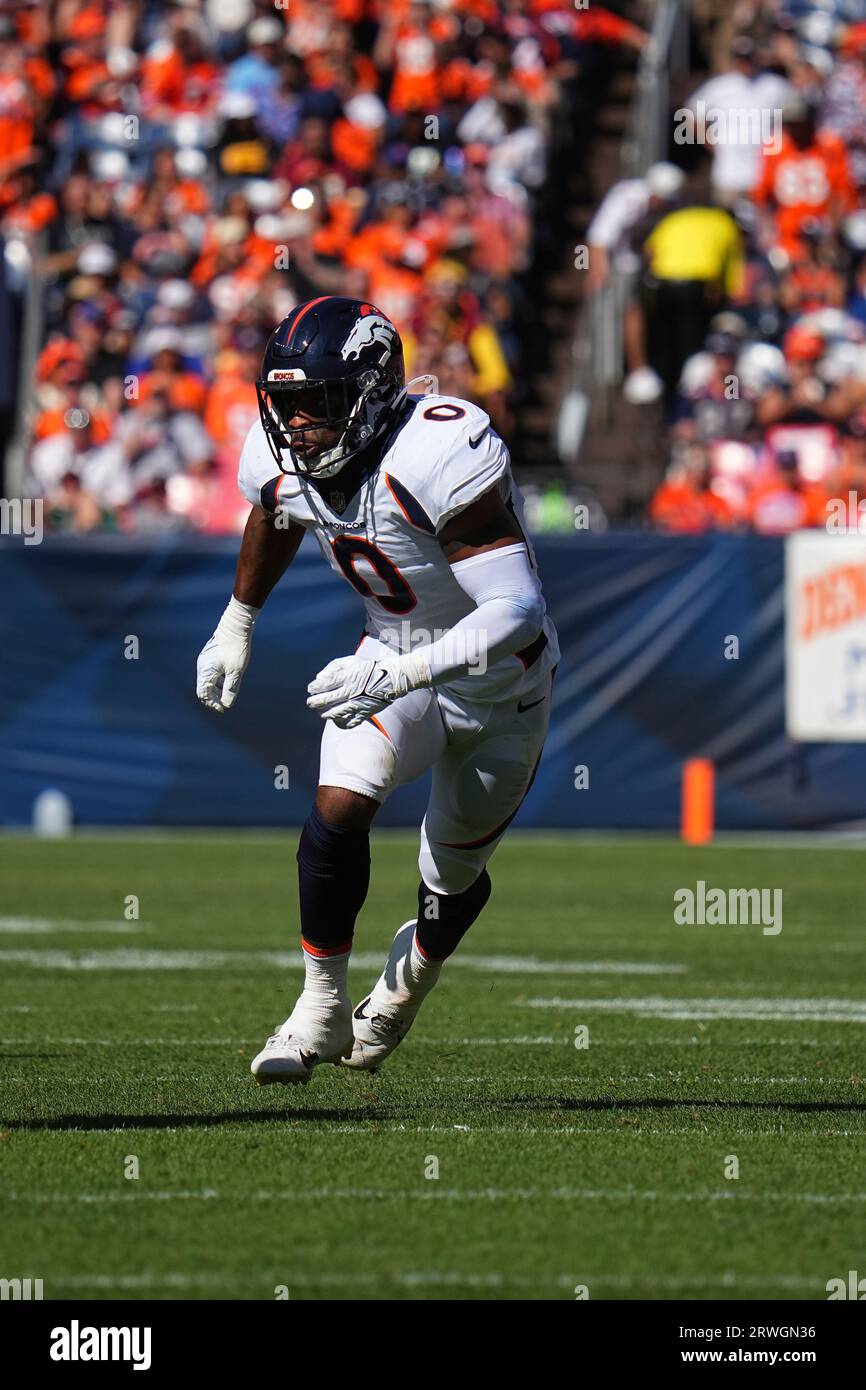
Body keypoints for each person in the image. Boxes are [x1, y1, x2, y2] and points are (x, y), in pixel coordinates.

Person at [195, 295, 559, 1084]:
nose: (298, 426)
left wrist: (403, 670)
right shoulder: (282, 454)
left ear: (370, 391)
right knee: (338, 804)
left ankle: (406, 986)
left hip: (502, 685)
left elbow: (517, 608)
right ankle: (317, 1010)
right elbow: (276, 508)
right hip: (391, 656)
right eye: (286, 406)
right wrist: (238, 620)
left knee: (450, 877)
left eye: (317, 404)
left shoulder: (438, 448)